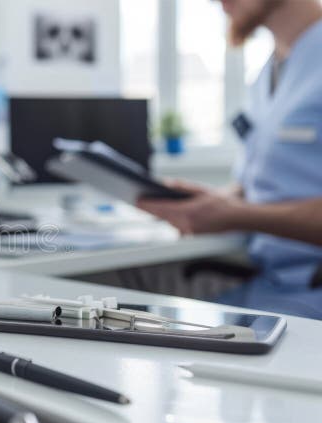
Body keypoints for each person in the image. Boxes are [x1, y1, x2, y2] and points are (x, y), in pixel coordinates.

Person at [137, 0, 322, 318]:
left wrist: (237, 215)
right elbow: (261, 182)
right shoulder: (271, 69)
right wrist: (214, 201)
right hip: (269, 285)